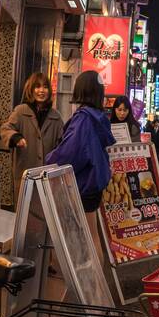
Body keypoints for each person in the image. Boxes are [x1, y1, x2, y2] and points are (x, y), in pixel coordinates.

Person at [45, 70, 115, 213]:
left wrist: (49, 161)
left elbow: (71, 152)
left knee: (84, 233)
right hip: (94, 183)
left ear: (81, 89)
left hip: (83, 183)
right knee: (91, 231)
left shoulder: (84, 118)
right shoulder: (98, 117)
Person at [0, 72, 63, 200]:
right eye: (37, 86)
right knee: (25, 212)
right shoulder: (20, 111)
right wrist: (16, 138)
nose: (41, 90)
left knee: (44, 213)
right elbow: (6, 128)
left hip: (48, 176)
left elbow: (63, 143)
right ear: (31, 89)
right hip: (25, 173)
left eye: (45, 87)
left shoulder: (56, 116)